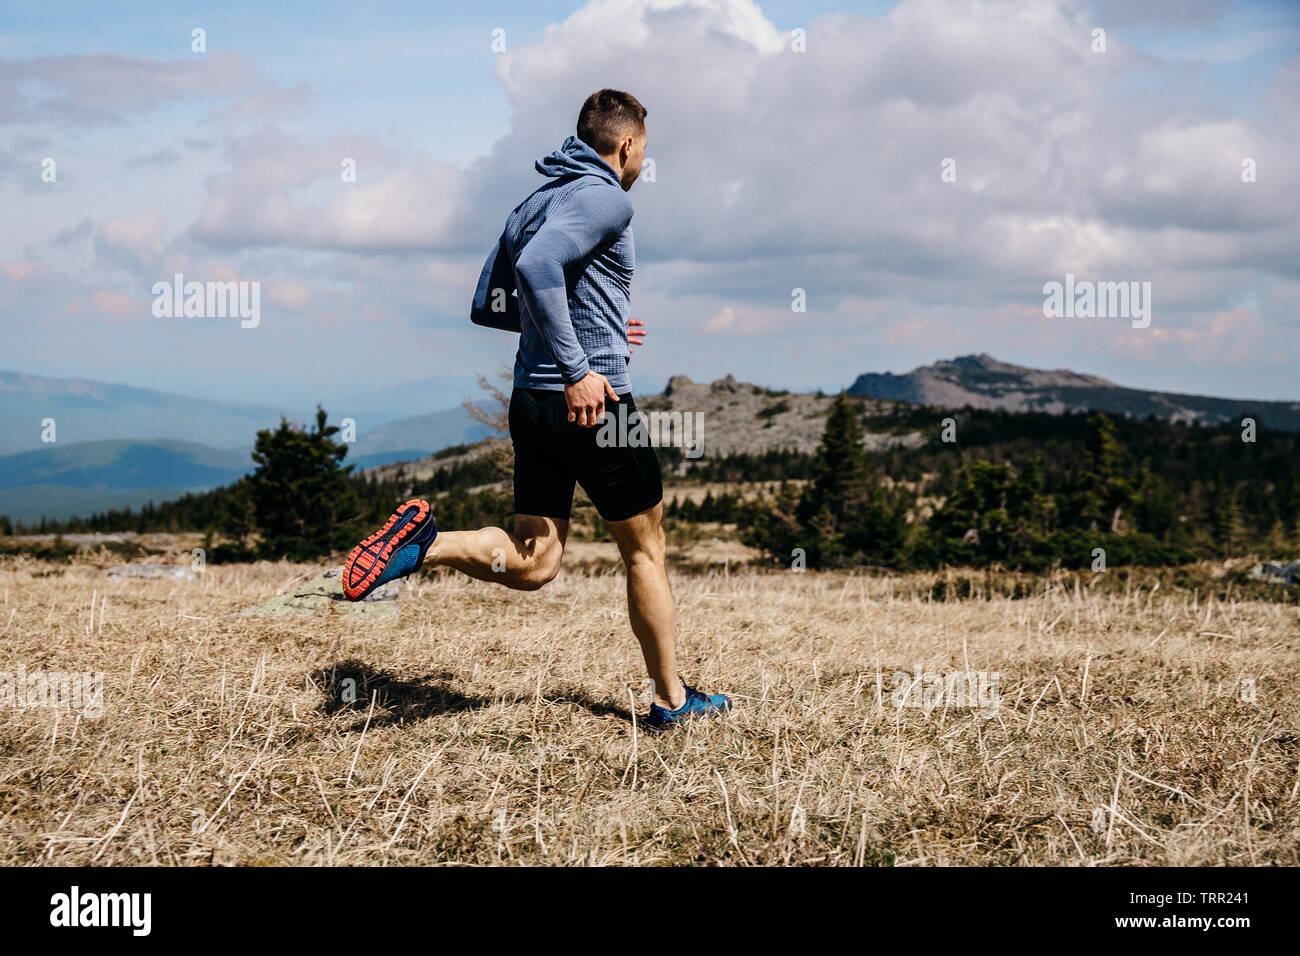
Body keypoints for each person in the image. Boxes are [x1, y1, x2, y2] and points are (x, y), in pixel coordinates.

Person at [342, 89, 731, 732]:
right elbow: (539, 264)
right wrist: (581, 368)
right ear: (628, 144)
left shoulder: (536, 199)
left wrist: (594, 325)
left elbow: (493, 305)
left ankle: (423, 545)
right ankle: (672, 701)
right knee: (645, 548)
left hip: (530, 402)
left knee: (535, 557)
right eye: (643, 152)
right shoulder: (607, 196)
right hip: (594, 403)